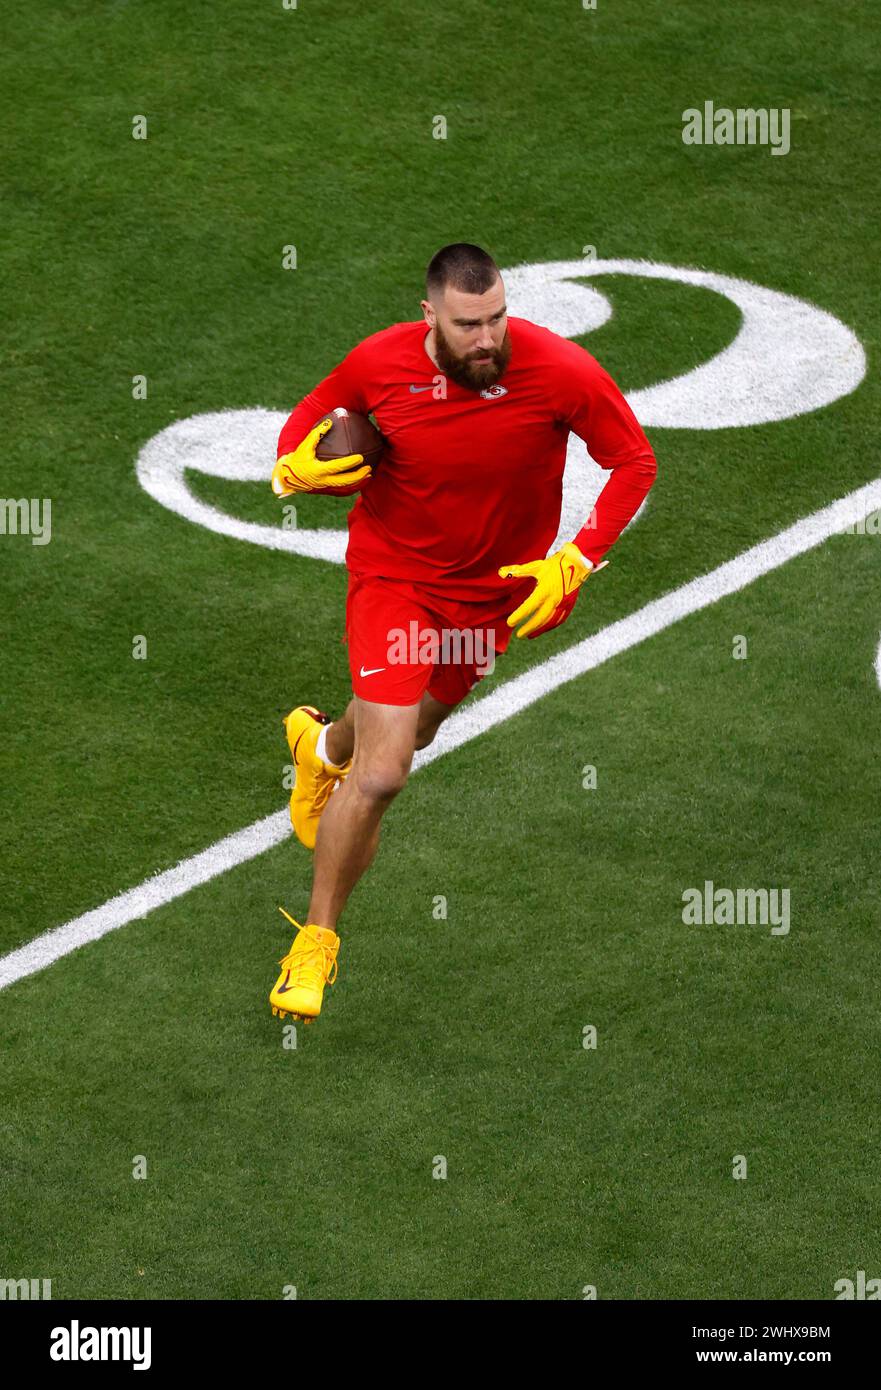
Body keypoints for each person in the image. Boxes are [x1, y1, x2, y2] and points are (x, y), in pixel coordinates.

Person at [268, 243, 656, 1024]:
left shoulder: (560, 371)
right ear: (430, 318)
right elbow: (301, 430)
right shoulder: (377, 365)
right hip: (395, 581)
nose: (487, 339)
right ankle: (313, 945)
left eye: (496, 319)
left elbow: (632, 462)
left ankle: (319, 748)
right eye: (468, 324)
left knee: (412, 730)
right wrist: (295, 469)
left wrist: (576, 559)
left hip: (488, 600)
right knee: (385, 774)